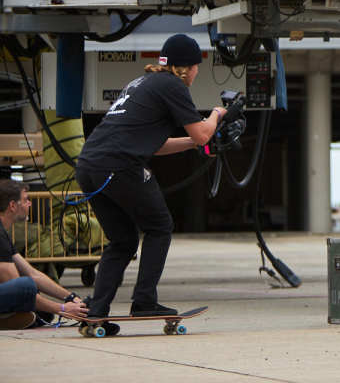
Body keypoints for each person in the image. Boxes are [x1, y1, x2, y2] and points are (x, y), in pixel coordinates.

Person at [74, 34, 228, 327]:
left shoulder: (142, 83)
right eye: (197, 66)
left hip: (90, 164)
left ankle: (97, 311)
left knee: (122, 240)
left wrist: (193, 143)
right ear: (189, 67)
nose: (196, 72)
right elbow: (204, 134)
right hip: (119, 166)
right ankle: (144, 301)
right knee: (159, 226)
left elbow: (154, 145)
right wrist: (218, 114)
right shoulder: (173, 85)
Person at [0, 179, 90, 329]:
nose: (29, 204)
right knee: (27, 286)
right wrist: (63, 309)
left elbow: (32, 273)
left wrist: (71, 297)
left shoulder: (3, 232)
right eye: (25, 200)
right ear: (12, 206)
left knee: (44, 313)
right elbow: (20, 288)